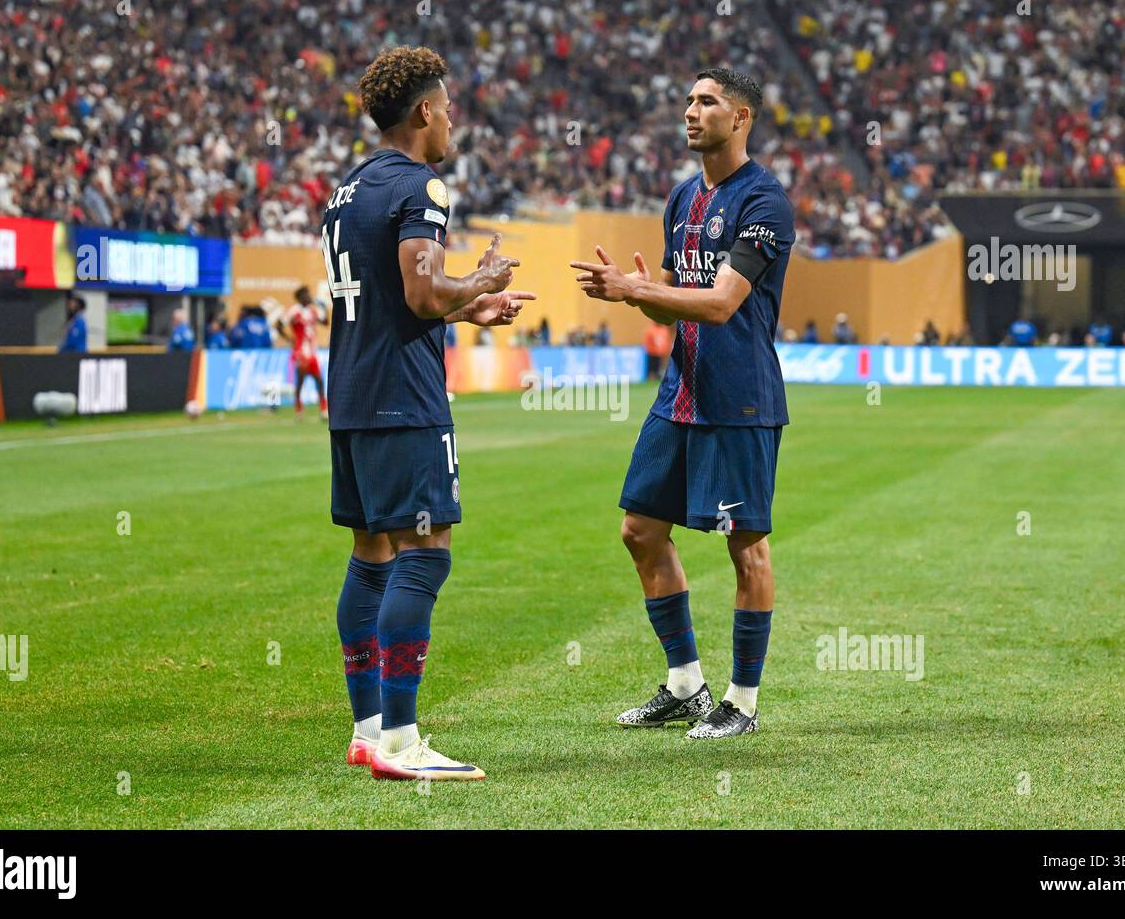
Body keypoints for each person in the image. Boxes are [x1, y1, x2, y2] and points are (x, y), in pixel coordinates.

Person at [324, 46, 534, 780]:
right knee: (426, 554)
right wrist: (480, 275)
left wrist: (472, 306)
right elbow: (419, 294)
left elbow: (397, 295)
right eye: (447, 109)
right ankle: (402, 743)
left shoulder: (346, 190)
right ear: (424, 112)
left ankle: (368, 728)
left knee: (370, 555)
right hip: (405, 401)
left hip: (350, 396)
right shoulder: (423, 186)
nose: (452, 123)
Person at [572, 67, 794, 740]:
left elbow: (723, 302)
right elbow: (676, 291)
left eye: (707, 102)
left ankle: (743, 702)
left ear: (742, 117)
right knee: (640, 530)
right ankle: (685, 684)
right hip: (682, 392)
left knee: (744, 547)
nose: (691, 111)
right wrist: (637, 289)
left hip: (739, 399)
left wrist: (639, 291)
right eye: (688, 100)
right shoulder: (681, 199)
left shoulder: (765, 202)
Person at [278, 285, 329, 420]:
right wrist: (289, 339)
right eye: (306, 294)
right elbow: (279, 324)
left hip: (312, 352)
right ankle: (299, 409)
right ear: (300, 297)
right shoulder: (294, 311)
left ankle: (323, 409)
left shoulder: (312, 310)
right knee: (301, 381)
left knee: (319, 380)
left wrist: (323, 308)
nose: (309, 297)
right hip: (300, 352)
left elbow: (325, 322)